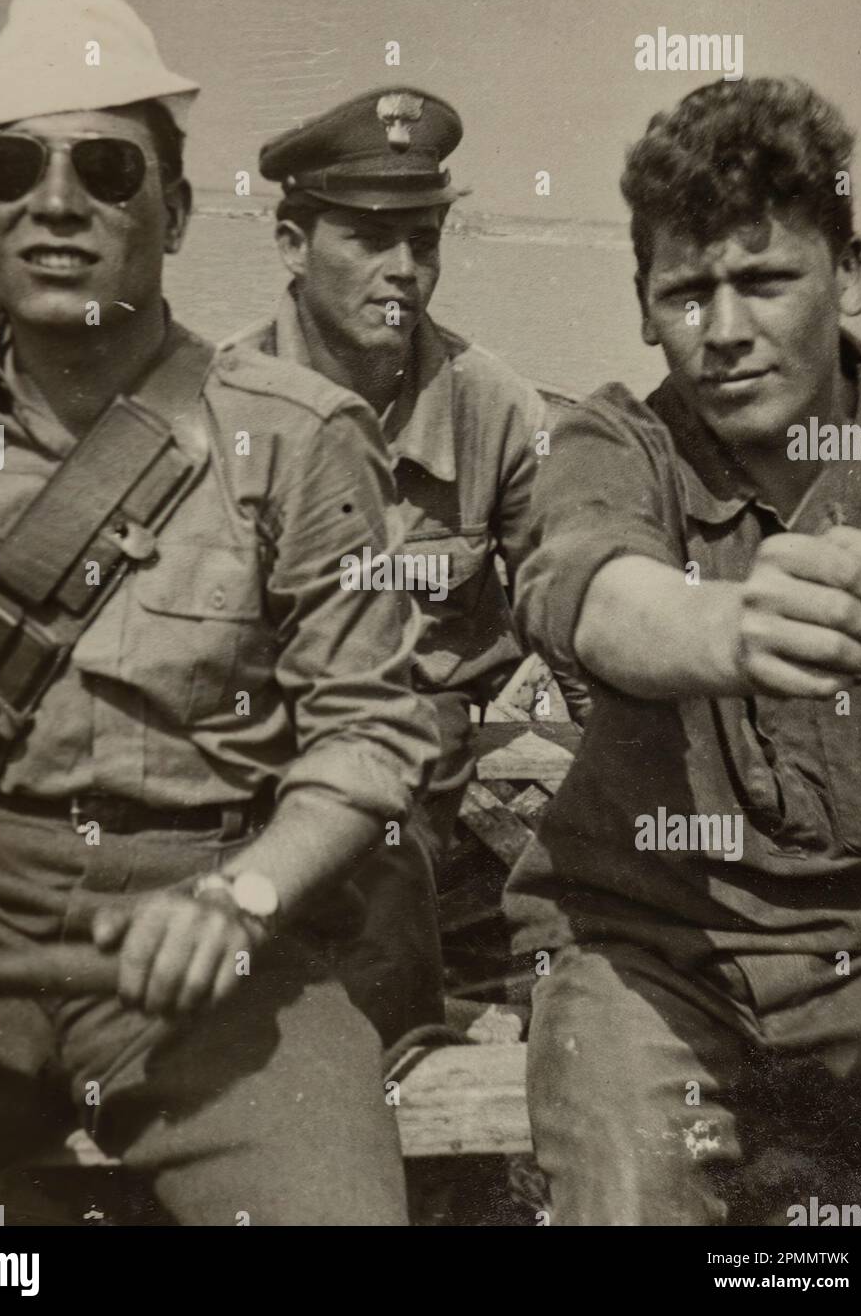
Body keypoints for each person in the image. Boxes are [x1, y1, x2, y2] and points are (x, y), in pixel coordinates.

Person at [0, 0, 438, 1226]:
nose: (57, 201)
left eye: (107, 168)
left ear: (175, 213)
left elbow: (369, 731)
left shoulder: (298, 437)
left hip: (225, 932)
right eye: (11, 165)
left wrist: (237, 899)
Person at [506, 77, 861, 1225]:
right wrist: (732, 627)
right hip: (648, 950)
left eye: (767, 279)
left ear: (852, 273)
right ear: (643, 307)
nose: (724, 331)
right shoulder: (612, 439)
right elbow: (590, 586)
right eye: (687, 291)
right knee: (631, 1192)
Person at [229, 88, 550, 1042]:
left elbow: (568, 605)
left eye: (424, 239)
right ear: (292, 242)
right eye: (369, 238)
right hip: (241, 738)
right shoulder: (217, 403)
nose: (403, 270)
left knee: (375, 889)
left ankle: (392, 1087)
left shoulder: (490, 407)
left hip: (412, 752)